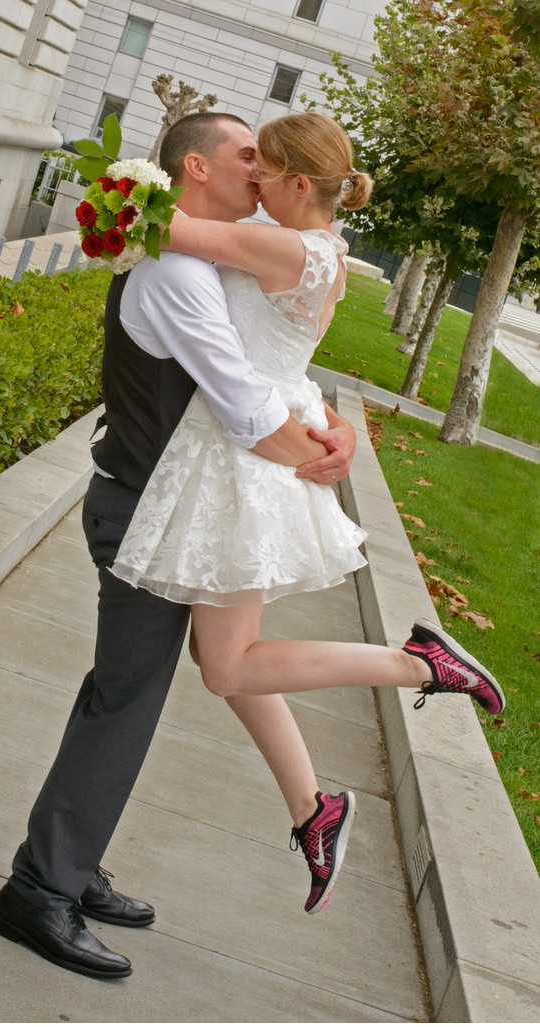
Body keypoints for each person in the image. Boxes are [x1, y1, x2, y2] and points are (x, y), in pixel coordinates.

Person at [0, 112, 359, 977]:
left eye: (266, 161)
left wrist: (330, 424)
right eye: (243, 156)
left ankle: (68, 866)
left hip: (161, 509)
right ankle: (39, 890)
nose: (256, 169)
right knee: (122, 700)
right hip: (142, 509)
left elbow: (274, 371)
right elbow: (249, 412)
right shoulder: (181, 276)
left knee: (135, 695)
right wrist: (321, 460)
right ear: (196, 167)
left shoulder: (204, 262)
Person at [110, 111, 505, 915]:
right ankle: (313, 808)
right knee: (225, 657)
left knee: (226, 664)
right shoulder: (317, 250)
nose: (249, 181)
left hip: (239, 459)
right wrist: (330, 426)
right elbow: (284, 357)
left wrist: (134, 181)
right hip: (251, 442)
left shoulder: (285, 246)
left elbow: (166, 226)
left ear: (297, 184)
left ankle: (419, 664)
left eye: (261, 171)